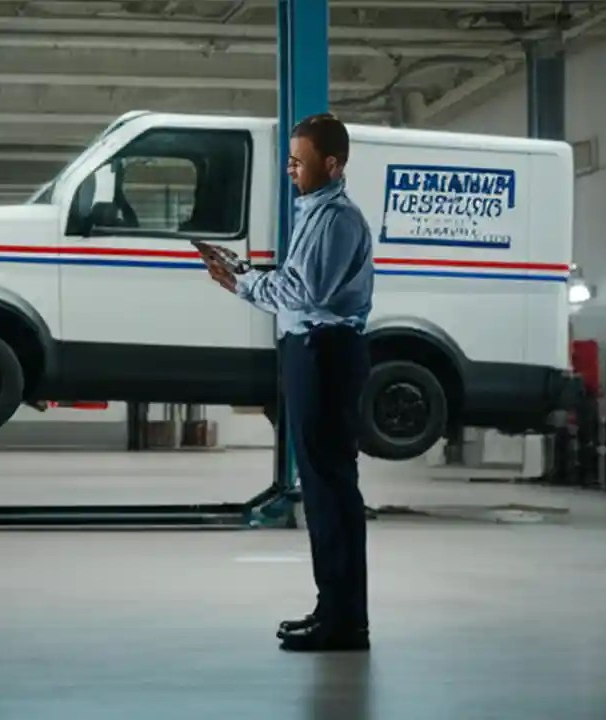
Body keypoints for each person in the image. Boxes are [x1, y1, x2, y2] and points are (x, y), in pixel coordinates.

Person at [201, 113, 374, 652]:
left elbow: (306, 293)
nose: (291, 171)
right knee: (323, 493)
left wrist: (246, 283)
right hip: (311, 350)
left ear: (333, 163)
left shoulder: (338, 220)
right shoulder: (315, 215)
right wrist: (248, 278)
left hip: (325, 352)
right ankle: (333, 610)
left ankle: (345, 621)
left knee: (329, 491)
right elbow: (299, 284)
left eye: (299, 162)